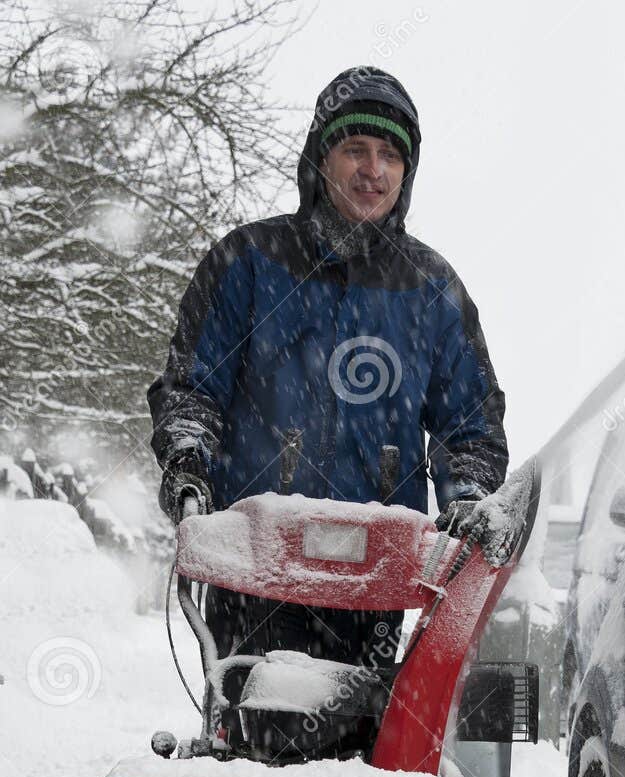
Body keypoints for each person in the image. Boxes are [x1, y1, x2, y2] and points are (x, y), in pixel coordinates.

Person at [147, 65, 508, 675]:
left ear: (407, 173)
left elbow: (469, 425)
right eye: (355, 150)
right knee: (253, 722)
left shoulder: (431, 289)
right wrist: (189, 466)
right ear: (321, 160)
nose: (374, 169)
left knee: (363, 752)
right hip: (256, 558)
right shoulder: (249, 262)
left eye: (390, 155)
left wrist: (467, 495)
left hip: (381, 572)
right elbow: (192, 389)